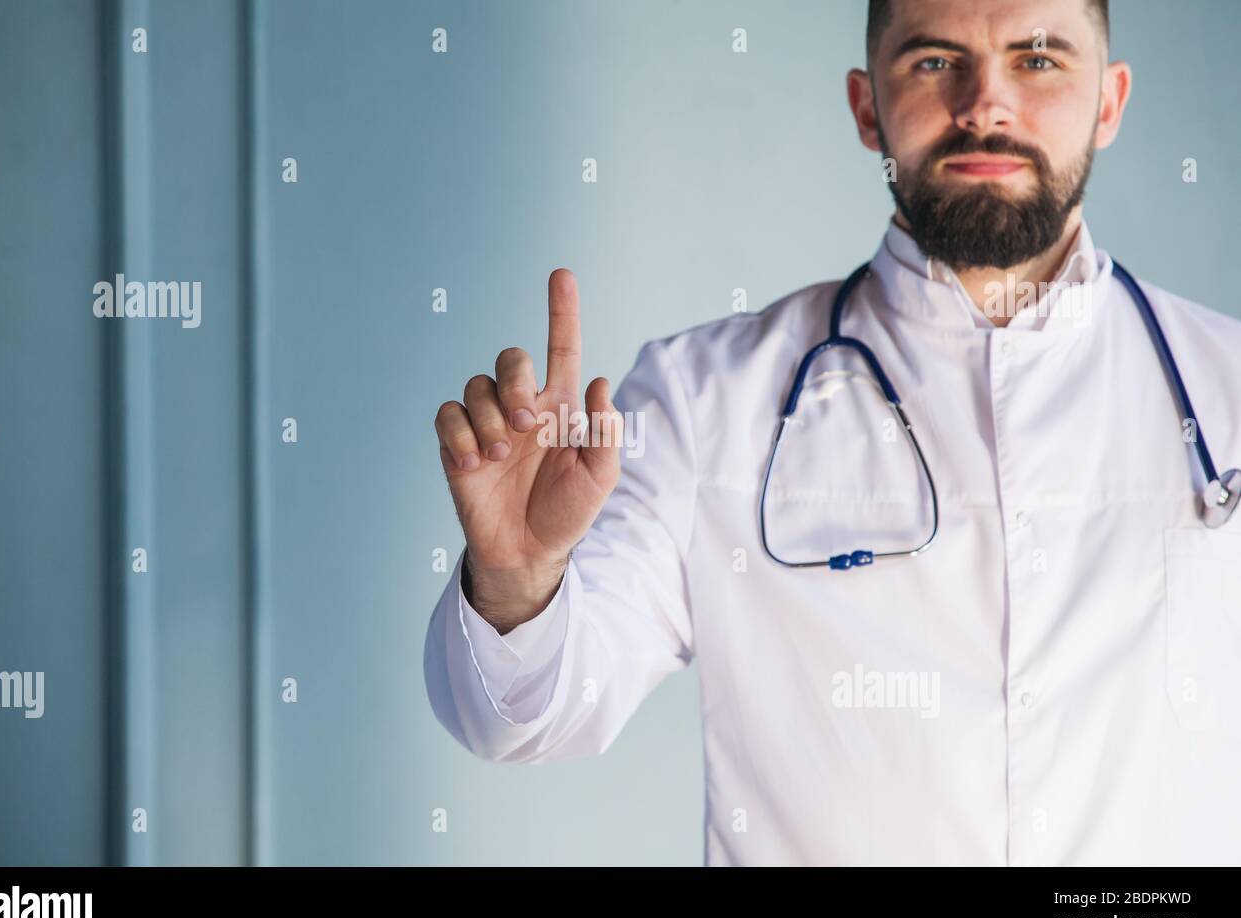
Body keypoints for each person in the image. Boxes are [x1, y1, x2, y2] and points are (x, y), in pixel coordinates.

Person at [424, 0, 1241, 865]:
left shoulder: (1226, 388)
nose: (986, 103)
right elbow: (528, 717)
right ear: (866, 107)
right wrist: (517, 581)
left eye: (1038, 61)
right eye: (933, 62)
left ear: (1109, 103)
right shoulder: (704, 401)